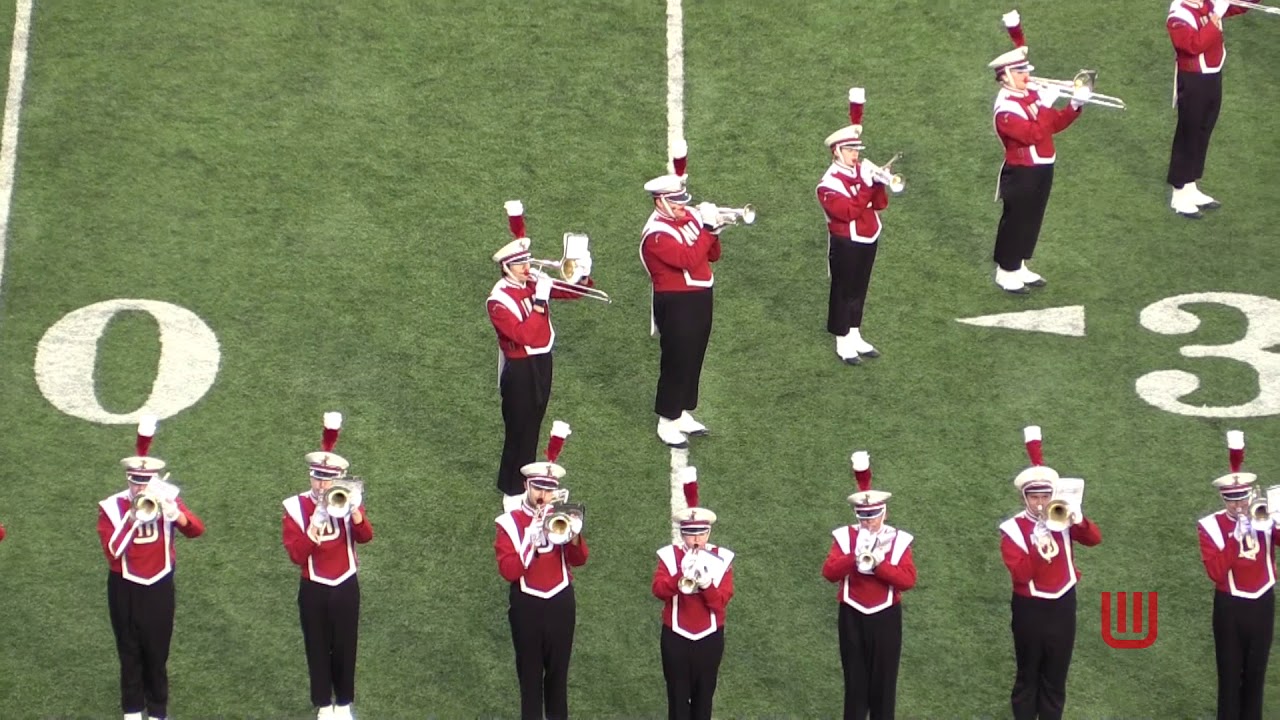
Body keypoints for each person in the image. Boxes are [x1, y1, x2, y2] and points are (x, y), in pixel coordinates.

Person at [96, 416, 204, 720]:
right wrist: (132, 519)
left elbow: (197, 530)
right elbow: (113, 552)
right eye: (135, 482)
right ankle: (132, 711)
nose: (140, 488)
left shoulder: (166, 499)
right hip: (125, 586)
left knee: (157, 652)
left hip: (159, 584)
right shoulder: (112, 507)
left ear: (153, 480)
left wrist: (175, 514)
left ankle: (158, 711)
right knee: (129, 652)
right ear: (128, 480)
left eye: (145, 482)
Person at [490, 200, 594, 512]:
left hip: (542, 362)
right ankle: (511, 489)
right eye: (520, 263)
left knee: (534, 422)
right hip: (520, 367)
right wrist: (539, 301)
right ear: (506, 267)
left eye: (527, 261)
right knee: (518, 427)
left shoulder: (534, 282)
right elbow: (525, 335)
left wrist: (581, 274)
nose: (527, 267)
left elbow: (574, 292)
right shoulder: (497, 301)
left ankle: (523, 482)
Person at [999, 425, 1101, 720]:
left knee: (1056, 677)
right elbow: (1020, 576)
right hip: (1030, 608)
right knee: (1028, 674)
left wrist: (1078, 519)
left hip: (1063, 604)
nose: (1041, 503)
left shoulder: (1063, 517)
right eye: (1034, 497)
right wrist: (1036, 544)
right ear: (1024, 498)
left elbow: (1094, 539)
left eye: (1045, 496)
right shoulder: (1012, 530)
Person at [988, 10, 1091, 294]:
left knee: (1033, 218)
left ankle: (1019, 264)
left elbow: (1052, 125)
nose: (1027, 76)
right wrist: (1045, 104)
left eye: (1025, 71)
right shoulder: (1006, 109)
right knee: (1016, 220)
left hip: (1043, 166)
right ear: (1006, 77)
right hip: (1022, 171)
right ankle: (1005, 270)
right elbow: (1032, 134)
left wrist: (1074, 106)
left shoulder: (1029, 95)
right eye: (1020, 72)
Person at [282, 412, 373, 720]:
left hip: (346, 584)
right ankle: (323, 704)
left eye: (327, 478)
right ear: (310, 476)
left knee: (345, 645)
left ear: (337, 478)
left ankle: (344, 702)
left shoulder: (347, 498)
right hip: (314, 587)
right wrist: (312, 529)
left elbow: (366, 537)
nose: (322, 484)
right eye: (317, 477)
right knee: (317, 646)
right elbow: (296, 555)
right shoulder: (295, 507)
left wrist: (356, 514)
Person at [494, 422, 588, 720]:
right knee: (530, 680)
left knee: (558, 679)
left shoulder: (562, 516)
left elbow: (579, 559)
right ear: (526, 486)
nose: (542, 496)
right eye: (538, 488)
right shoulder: (508, 523)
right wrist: (531, 540)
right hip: (527, 607)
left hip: (561, 603)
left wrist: (574, 534)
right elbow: (509, 571)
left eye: (548, 490)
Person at [640, 140, 727, 448]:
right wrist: (706, 230)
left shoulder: (688, 217)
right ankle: (666, 419)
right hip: (676, 303)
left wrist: (714, 230)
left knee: (694, 356)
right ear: (660, 201)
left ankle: (681, 412)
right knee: (677, 359)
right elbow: (687, 259)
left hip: (700, 297)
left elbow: (712, 255)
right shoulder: (656, 234)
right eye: (675, 202)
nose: (681, 206)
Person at [822, 451, 917, 720]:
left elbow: (908, 580)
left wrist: (880, 565)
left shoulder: (898, 540)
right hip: (851, 615)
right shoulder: (845, 537)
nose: (868, 523)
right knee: (855, 684)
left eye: (873, 516)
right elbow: (829, 573)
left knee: (884, 687)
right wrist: (853, 557)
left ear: (884, 514)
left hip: (886, 617)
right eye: (863, 517)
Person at [1199, 430, 1276, 720]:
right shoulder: (1210, 526)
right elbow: (1216, 572)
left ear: (1250, 496)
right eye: (1231, 500)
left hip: (1263, 602)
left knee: (1256, 675)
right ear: (1223, 498)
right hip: (1230, 608)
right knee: (1230, 677)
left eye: (1242, 499)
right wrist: (1234, 538)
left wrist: (1274, 521)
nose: (1238, 506)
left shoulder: (1262, 515)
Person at [817, 88, 891, 365]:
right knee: (843, 289)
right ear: (836, 152)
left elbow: (879, 205)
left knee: (860, 286)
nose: (855, 155)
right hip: (846, 241)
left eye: (857, 150)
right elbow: (847, 213)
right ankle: (842, 339)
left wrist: (880, 183)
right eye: (850, 150)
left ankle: (855, 333)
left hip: (869, 236)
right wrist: (868, 186)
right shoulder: (827, 184)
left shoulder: (862, 171)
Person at [653, 503, 735, 720]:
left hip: (709, 638)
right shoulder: (669, 556)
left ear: (709, 533)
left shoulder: (722, 558)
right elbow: (658, 590)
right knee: (677, 698)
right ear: (682, 534)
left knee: (704, 698)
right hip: (676, 637)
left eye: (701, 533)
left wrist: (707, 584)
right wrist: (679, 575)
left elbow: (720, 603)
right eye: (690, 534)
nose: (696, 539)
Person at [1167, 0, 1248, 218]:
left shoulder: (1206, 3)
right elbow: (1193, 46)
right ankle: (1178, 193)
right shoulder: (1178, 15)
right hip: (1193, 79)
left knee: (1203, 131)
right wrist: (1216, 16)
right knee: (1188, 133)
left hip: (1212, 75)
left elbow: (1238, 6)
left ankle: (1190, 185)